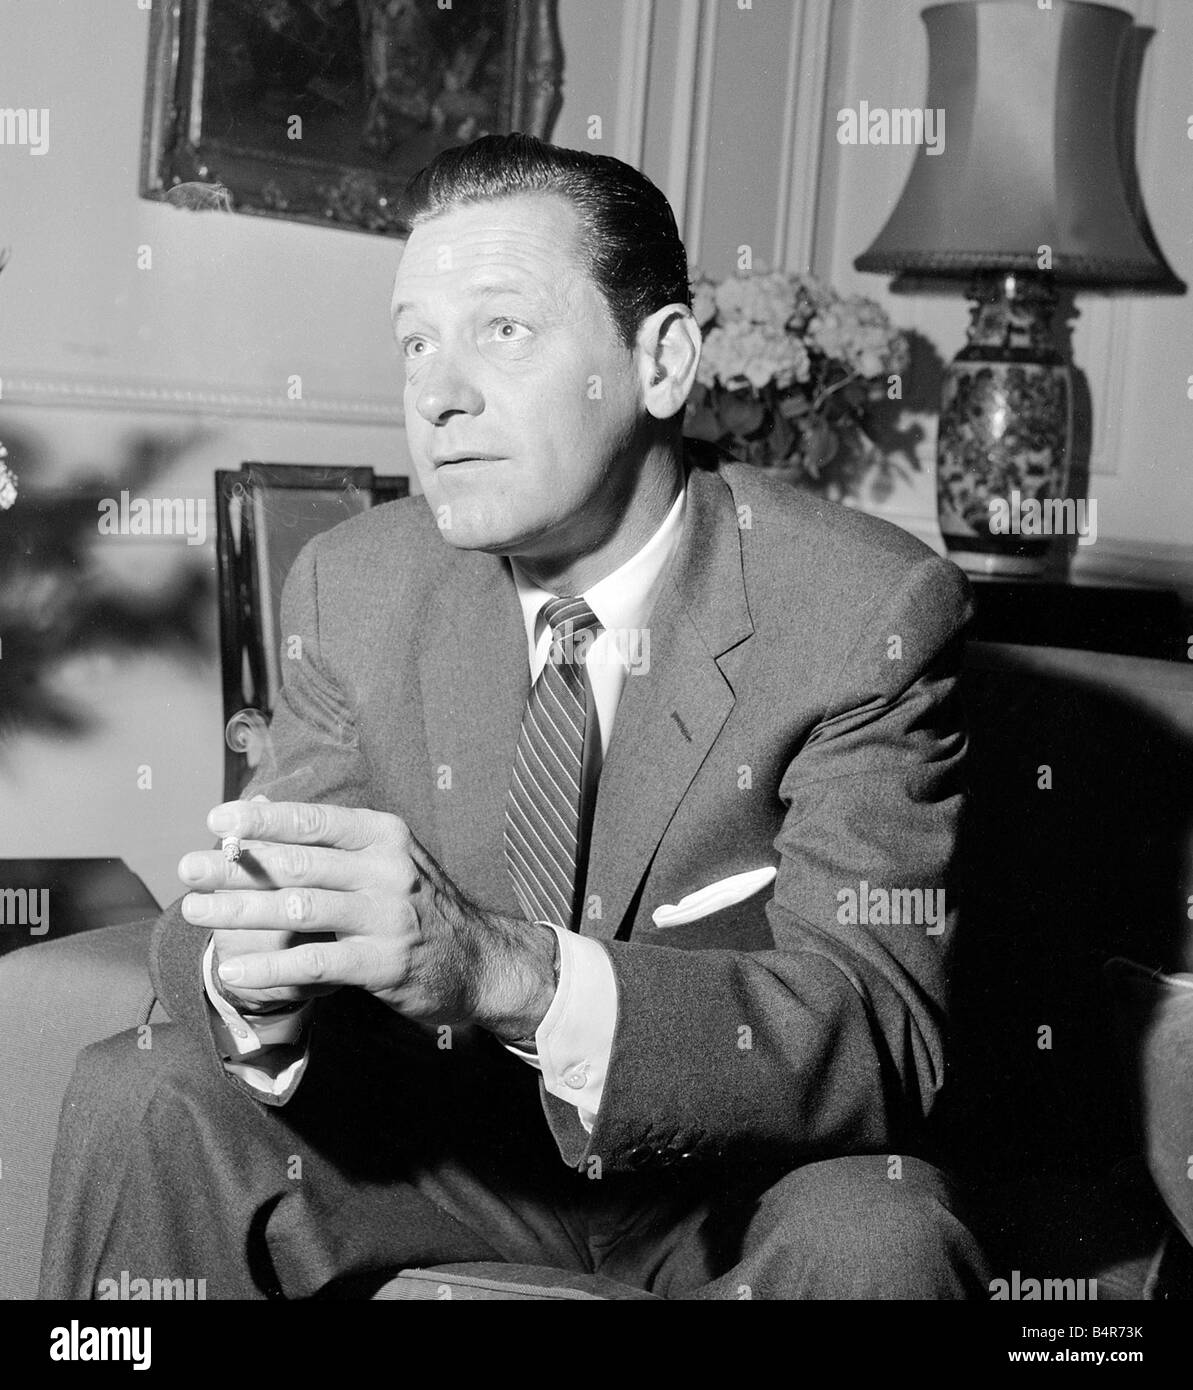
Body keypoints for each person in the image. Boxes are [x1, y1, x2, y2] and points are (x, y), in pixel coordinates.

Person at [41, 134, 988, 1300]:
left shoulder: (860, 608)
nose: (438, 393)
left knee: (883, 1229)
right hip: (455, 1151)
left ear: (662, 362)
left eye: (502, 330)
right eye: (414, 344)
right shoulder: (356, 583)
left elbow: (878, 1027)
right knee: (140, 1088)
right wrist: (256, 969)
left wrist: (508, 970)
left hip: (734, 1185)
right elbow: (226, 908)